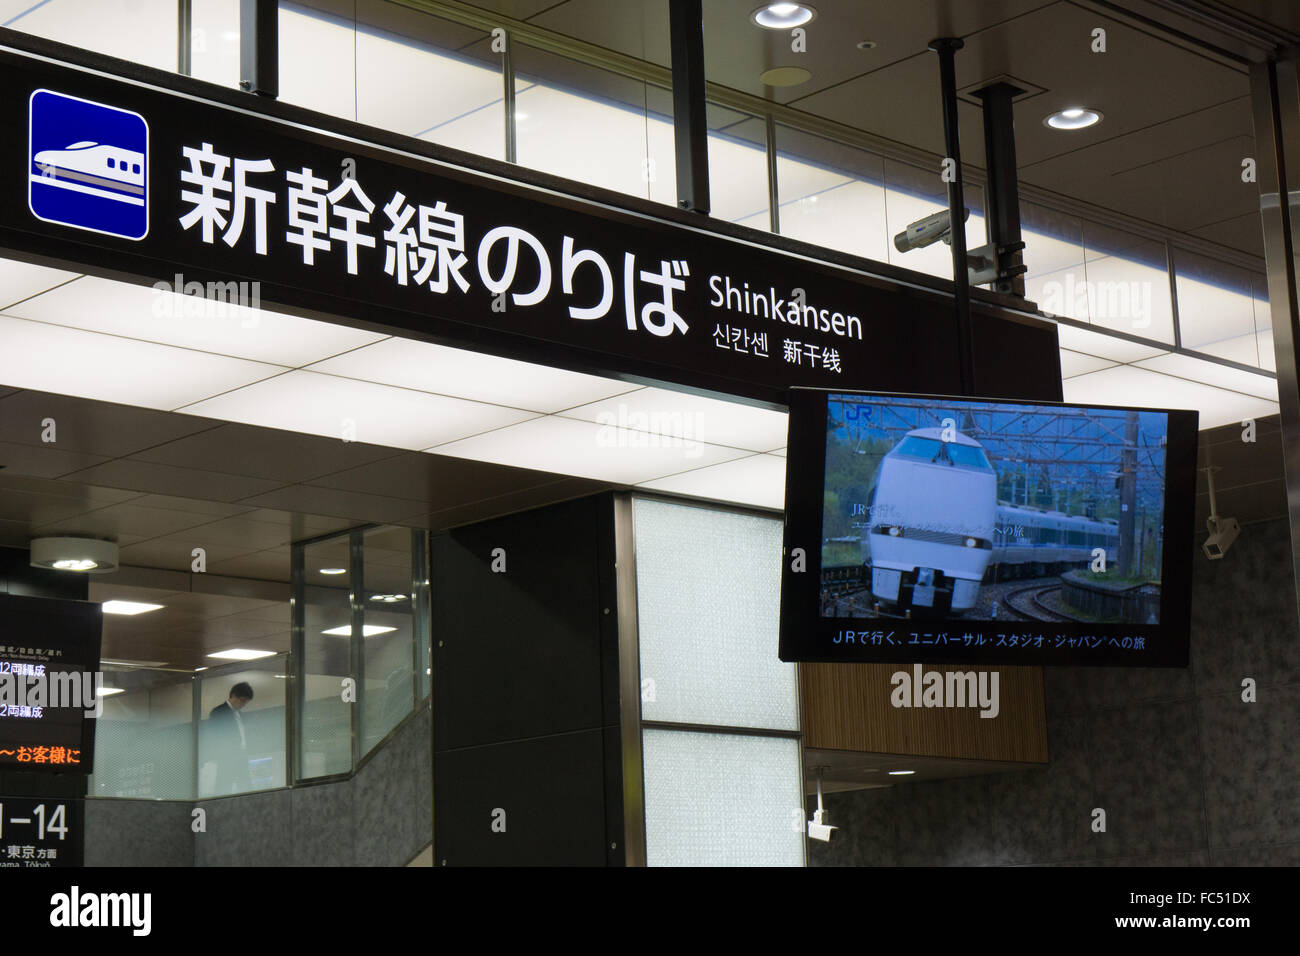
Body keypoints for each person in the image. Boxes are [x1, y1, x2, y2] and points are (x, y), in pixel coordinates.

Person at [207, 682, 254, 795]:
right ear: (233, 696)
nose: (243, 704)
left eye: (246, 702)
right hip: (227, 757)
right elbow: (215, 736)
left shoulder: (239, 714)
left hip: (241, 755)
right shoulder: (219, 712)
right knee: (223, 787)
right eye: (242, 700)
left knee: (246, 787)